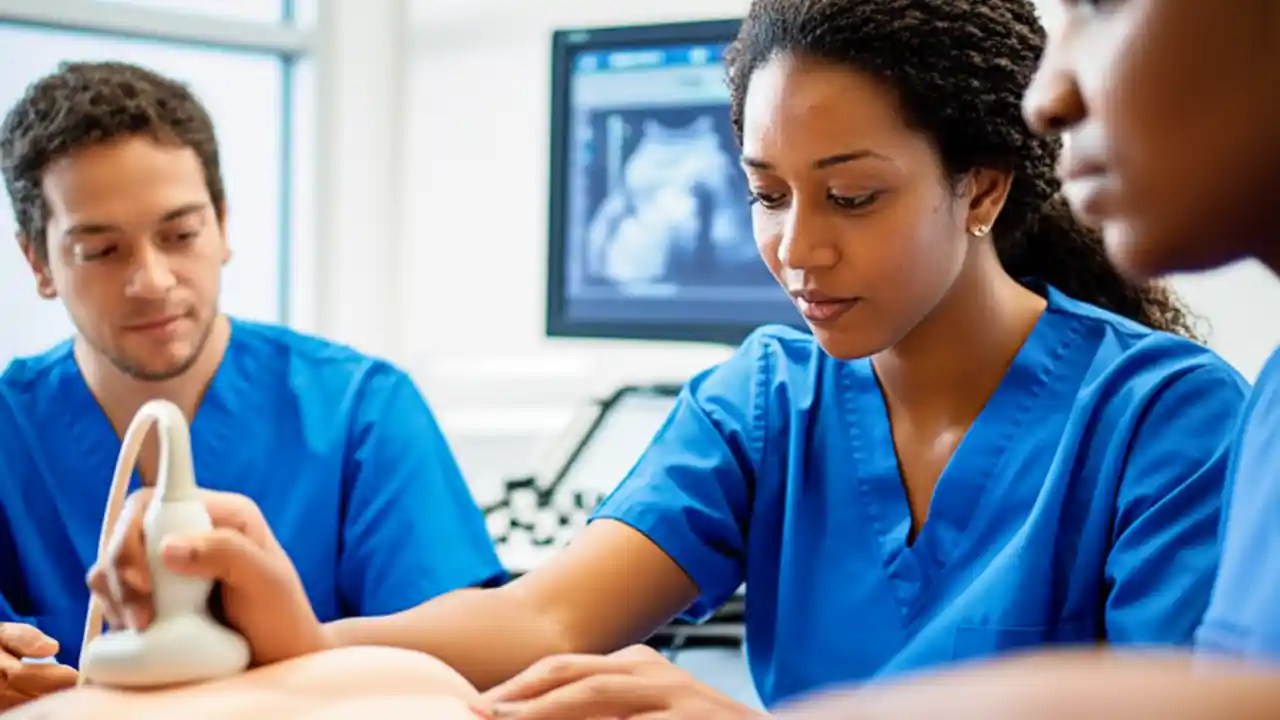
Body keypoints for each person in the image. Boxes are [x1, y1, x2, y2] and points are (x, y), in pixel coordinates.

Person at [87, 0, 1254, 716]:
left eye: (850, 196)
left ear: (982, 186)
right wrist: (285, 637)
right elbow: (545, 622)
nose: (796, 250)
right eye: (764, 195)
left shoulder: (1163, 425)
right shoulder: (766, 396)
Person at [769, 0, 1280, 716]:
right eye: (766, 193)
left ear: (981, 188)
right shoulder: (1272, 411)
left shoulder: (1169, 411)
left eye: (1102, 6)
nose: (1045, 99)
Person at [0, 61, 505, 710]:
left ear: (224, 225)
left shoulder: (360, 413)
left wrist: (292, 653)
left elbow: (472, 661)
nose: (153, 280)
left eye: (180, 234)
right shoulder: (13, 434)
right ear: (39, 261)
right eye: (102, 251)